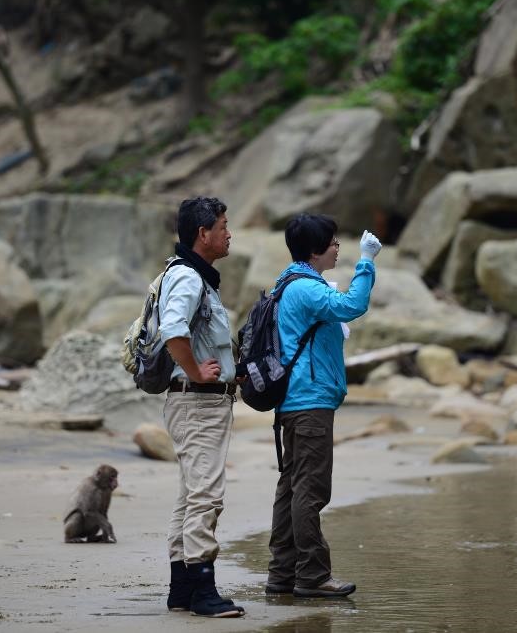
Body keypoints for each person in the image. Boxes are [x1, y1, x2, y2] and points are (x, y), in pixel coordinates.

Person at [265, 214, 381, 598]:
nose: (338, 247)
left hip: (293, 402)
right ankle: (312, 575)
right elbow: (352, 305)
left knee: (292, 488)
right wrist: (367, 261)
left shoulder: (289, 283)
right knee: (310, 491)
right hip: (310, 401)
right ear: (315, 250)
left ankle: (282, 574)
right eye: (332, 242)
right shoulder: (306, 289)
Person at [160, 197, 244, 617]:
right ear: (202, 234)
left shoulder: (192, 277)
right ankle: (204, 590)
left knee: (190, 495)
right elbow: (172, 330)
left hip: (194, 401)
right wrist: (195, 372)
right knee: (206, 496)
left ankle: (183, 589)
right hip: (197, 403)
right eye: (224, 226)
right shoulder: (189, 279)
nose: (229, 233)